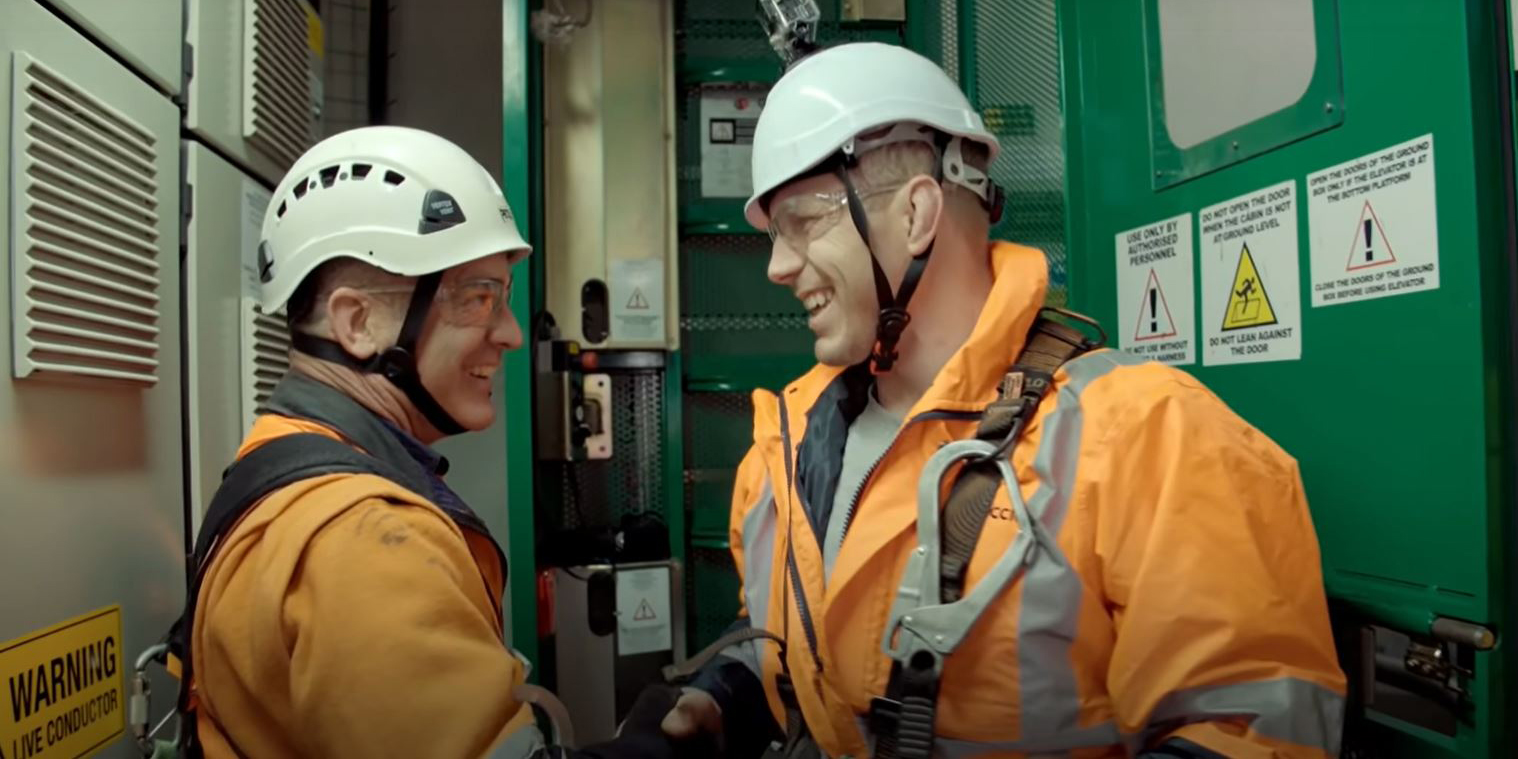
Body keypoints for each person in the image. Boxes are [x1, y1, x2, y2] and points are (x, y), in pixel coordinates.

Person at [662, 43, 1348, 758]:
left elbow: (1248, 732)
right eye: (775, 234)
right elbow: (793, 639)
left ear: (917, 213)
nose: (776, 266)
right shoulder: (787, 447)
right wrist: (717, 701)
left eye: (803, 222)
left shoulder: (1149, 439)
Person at [180, 126, 685, 759]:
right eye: (477, 298)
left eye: (502, 297)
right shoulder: (362, 542)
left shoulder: (279, 463)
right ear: (359, 322)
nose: (511, 333)